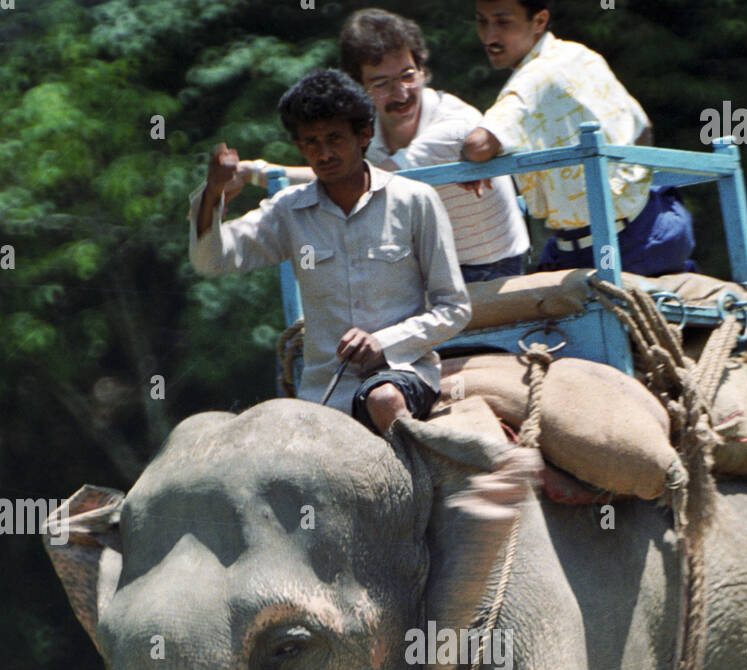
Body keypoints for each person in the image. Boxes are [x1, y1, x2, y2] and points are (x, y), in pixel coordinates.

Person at [189, 69, 470, 436]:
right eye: (311, 142)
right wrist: (212, 193)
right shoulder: (288, 210)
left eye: (335, 138)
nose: (323, 153)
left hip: (403, 375)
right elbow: (212, 260)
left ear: (364, 135)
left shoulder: (415, 202)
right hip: (322, 397)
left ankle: (417, 482)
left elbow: (455, 308)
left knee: (383, 399)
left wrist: (383, 342)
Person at [243, 9, 530, 283]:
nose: (402, 94)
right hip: (428, 271)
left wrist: (265, 183)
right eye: (381, 84)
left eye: (408, 75)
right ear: (359, 89)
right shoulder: (370, 133)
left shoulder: (453, 127)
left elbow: (358, 181)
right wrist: (261, 175)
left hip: (490, 268)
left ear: (422, 70)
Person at [461, 0, 695, 277]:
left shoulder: (533, 77)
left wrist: (472, 163)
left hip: (625, 246)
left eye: (503, 22)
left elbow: (477, 146)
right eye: (482, 21)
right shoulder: (580, 55)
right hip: (657, 221)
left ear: (539, 21)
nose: (489, 36)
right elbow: (643, 128)